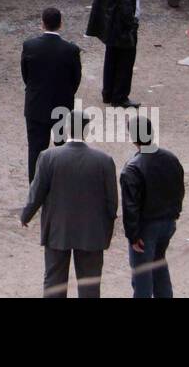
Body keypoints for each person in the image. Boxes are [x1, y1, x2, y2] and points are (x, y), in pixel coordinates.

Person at [19, 111, 118, 299]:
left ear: (65, 129)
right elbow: (112, 202)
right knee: (89, 286)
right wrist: (106, 230)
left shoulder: (48, 157)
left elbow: (37, 192)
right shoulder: (104, 161)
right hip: (92, 233)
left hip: (58, 230)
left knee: (54, 282)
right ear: (86, 130)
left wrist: (26, 215)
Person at [120, 113, 184, 298]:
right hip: (168, 223)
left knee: (142, 277)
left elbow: (130, 207)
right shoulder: (170, 158)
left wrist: (133, 236)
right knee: (159, 265)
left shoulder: (132, 168)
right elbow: (179, 189)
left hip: (146, 229)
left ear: (133, 138)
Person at [20, 8, 82, 180]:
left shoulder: (29, 46)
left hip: (36, 105)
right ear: (60, 24)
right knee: (61, 148)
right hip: (61, 105)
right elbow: (76, 79)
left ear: (42, 23)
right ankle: (59, 184)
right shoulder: (71, 50)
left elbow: (26, 75)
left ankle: (35, 187)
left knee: (35, 150)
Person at [86, 0, 141, 107]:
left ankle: (108, 93)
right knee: (124, 65)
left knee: (111, 62)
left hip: (110, 29)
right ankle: (120, 97)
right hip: (122, 30)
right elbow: (126, 10)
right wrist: (133, 25)